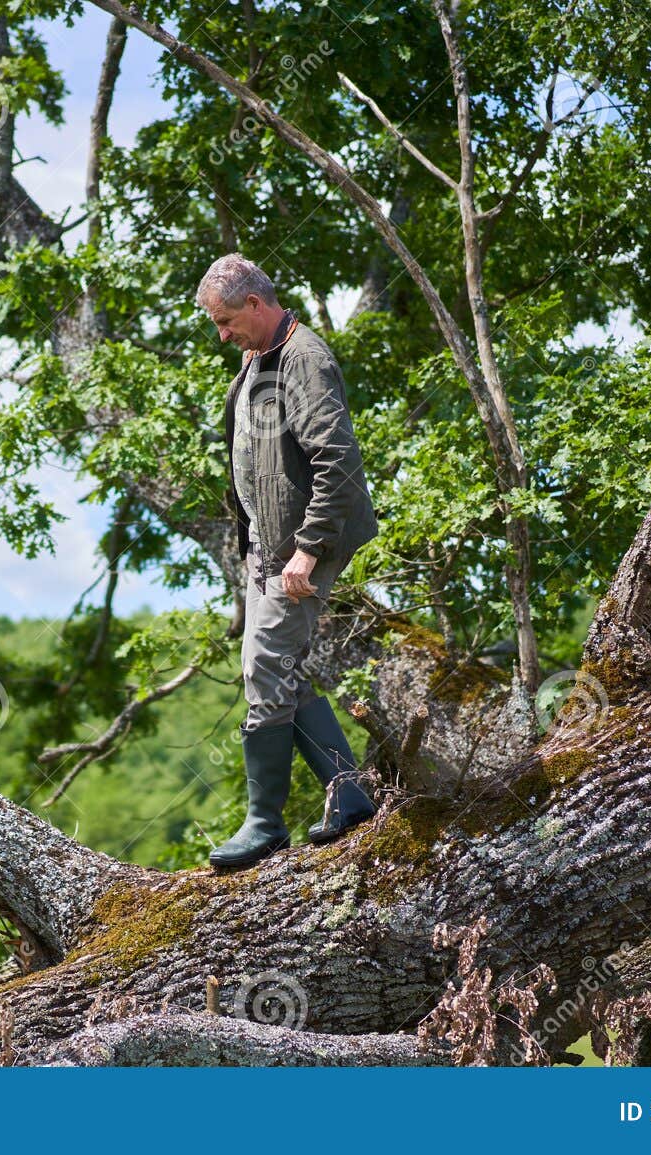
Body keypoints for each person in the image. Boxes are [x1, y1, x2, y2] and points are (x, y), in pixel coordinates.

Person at [198, 253, 380, 870]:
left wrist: (308, 547)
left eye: (226, 321)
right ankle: (351, 794)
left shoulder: (305, 360)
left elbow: (340, 465)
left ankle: (264, 824)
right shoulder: (256, 359)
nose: (222, 335)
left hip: (302, 545)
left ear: (255, 303)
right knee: (281, 672)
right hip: (265, 546)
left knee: (264, 670)